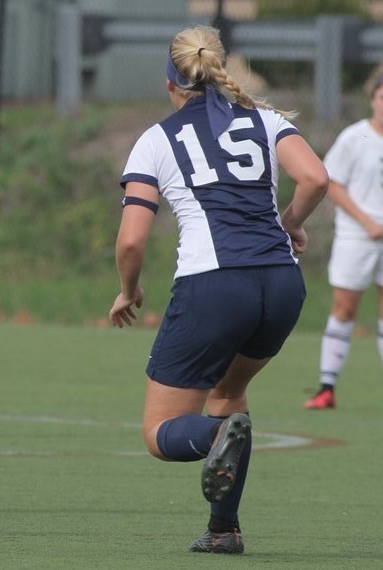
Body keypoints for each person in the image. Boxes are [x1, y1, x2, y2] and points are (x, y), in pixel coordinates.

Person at [109, 26, 327, 554]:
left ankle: (213, 440)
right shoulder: (265, 119)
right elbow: (316, 178)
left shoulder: (157, 138)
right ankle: (223, 530)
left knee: (160, 432)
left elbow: (132, 241)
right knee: (228, 395)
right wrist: (290, 221)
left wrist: (128, 290)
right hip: (282, 284)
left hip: (214, 284)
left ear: (170, 82)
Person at [303, 73, 383, 410]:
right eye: (382, 96)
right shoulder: (355, 137)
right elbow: (332, 183)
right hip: (357, 236)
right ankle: (327, 387)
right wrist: (366, 221)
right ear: (373, 99)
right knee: (344, 308)